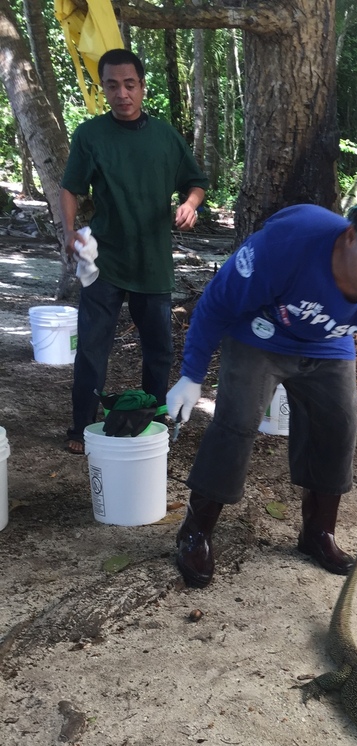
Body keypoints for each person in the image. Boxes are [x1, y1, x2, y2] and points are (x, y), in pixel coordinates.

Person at [165, 192, 357, 588]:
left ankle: (318, 532)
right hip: (260, 332)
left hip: (328, 343)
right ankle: (196, 530)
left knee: (338, 425)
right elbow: (217, 302)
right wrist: (191, 375)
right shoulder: (288, 245)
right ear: (352, 236)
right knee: (237, 422)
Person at [59, 48, 208, 454]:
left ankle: (153, 418)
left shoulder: (165, 136)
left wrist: (190, 204)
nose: (122, 93)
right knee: (92, 347)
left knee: (159, 349)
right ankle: (81, 426)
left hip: (153, 261)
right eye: (112, 85)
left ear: (142, 87)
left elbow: (196, 181)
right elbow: (70, 187)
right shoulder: (91, 135)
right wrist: (69, 231)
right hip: (105, 259)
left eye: (129, 85)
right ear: (103, 88)